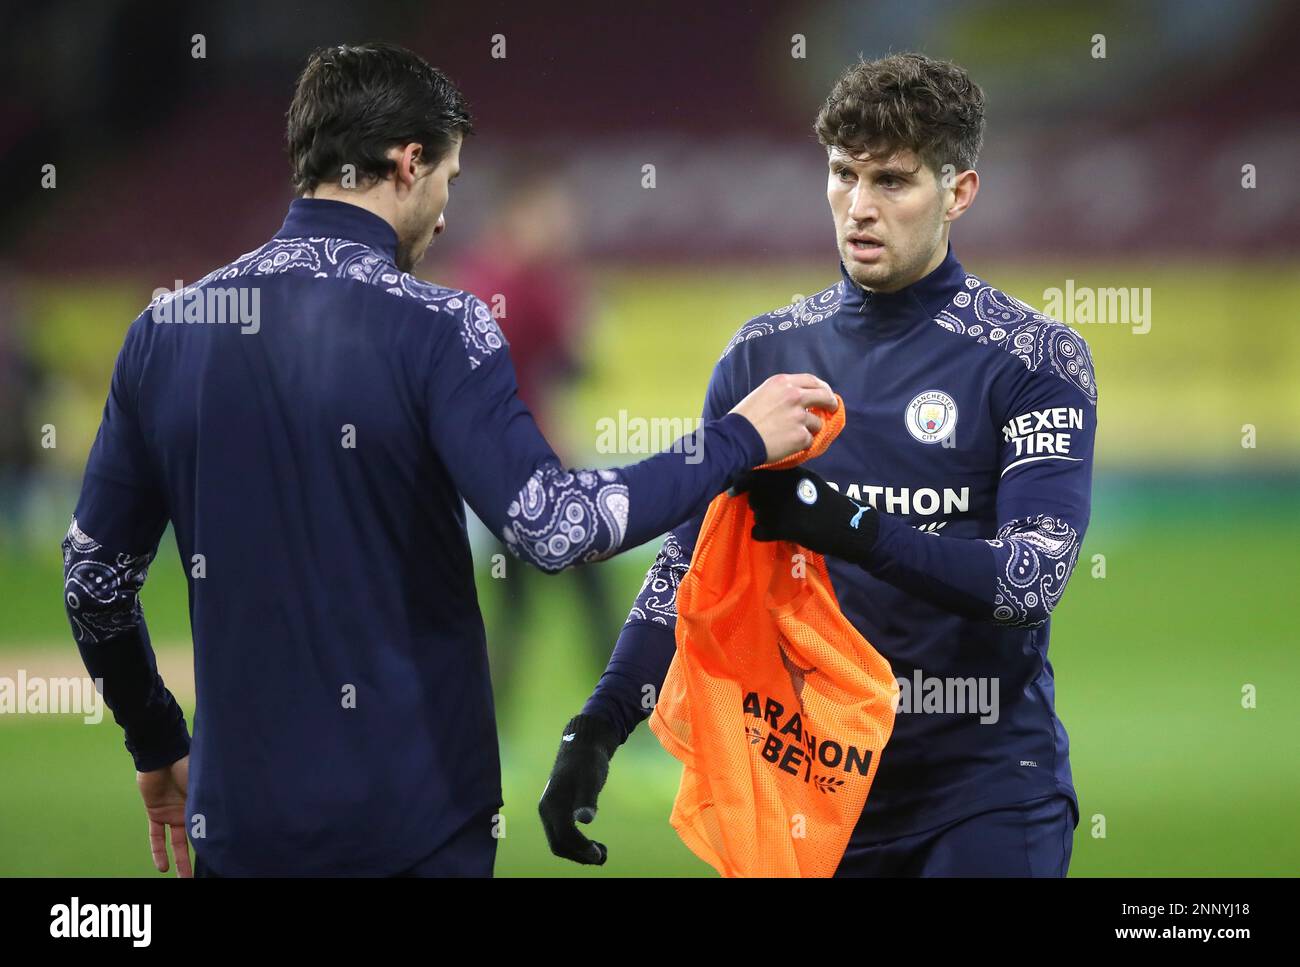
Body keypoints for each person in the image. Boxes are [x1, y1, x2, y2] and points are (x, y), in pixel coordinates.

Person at [60, 41, 836, 877]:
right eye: (449, 182)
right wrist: (737, 438)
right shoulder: (441, 327)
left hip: (239, 827)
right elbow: (556, 525)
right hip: (417, 826)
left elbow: (93, 585)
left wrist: (155, 738)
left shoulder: (164, 334)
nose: (444, 214)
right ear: (408, 161)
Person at [541, 52, 1096, 877]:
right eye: (843, 175)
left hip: (985, 790)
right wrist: (602, 718)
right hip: (810, 797)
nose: (860, 207)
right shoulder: (763, 357)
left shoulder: (1033, 360)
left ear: (959, 192)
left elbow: (1029, 579)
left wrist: (856, 529)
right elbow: (686, 568)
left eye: (893, 181)